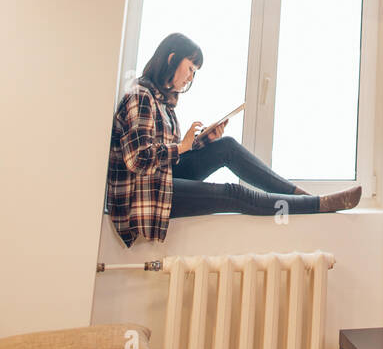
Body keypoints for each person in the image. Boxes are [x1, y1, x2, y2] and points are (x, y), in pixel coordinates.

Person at [107, 32, 361, 248]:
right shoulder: (140, 96)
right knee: (232, 193)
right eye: (191, 68)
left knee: (225, 146)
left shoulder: (164, 103)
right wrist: (183, 146)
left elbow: (171, 160)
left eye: (195, 73)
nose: (190, 78)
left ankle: (302, 197)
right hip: (143, 196)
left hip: (160, 182)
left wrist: (201, 142)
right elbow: (138, 160)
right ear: (172, 59)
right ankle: (315, 205)